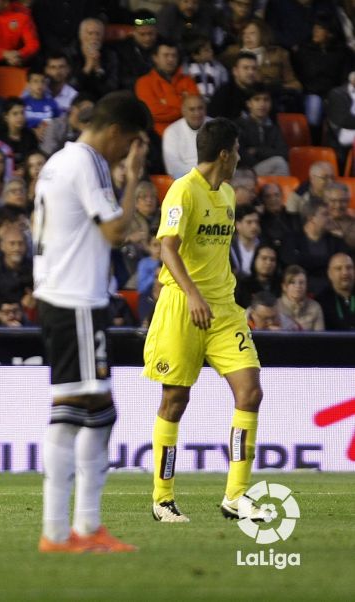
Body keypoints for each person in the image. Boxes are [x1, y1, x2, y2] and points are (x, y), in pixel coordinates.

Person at [33, 90, 150, 553]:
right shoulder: (89, 162)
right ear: (117, 132)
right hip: (75, 298)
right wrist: (133, 179)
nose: (129, 153)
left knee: (90, 409)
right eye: (132, 143)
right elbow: (115, 230)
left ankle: (72, 529)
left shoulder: (59, 160)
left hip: (61, 295)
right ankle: (69, 530)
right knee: (86, 410)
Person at [143, 118, 267, 525]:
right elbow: (168, 249)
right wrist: (193, 294)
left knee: (250, 392)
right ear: (225, 154)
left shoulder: (228, 194)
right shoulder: (183, 189)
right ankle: (163, 499)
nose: (241, 158)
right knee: (175, 400)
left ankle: (236, 497)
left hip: (223, 309)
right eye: (237, 151)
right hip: (183, 305)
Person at [134, 41, 200, 137]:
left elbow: (197, 107)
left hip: (189, 135)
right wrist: (183, 107)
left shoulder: (188, 80)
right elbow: (151, 112)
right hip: (159, 137)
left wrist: (166, 104)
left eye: (174, 55)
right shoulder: (144, 82)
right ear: (155, 58)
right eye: (166, 55)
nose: (170, 59)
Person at [280, 201, 347, 295]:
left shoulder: (336, 241)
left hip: (332, 292)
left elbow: (344, 263)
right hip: (300, 292)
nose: (330, 218)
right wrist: (327, 261)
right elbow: (291, 264)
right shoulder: (291, 239)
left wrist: (304, 260)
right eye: (325, 214)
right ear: (311, 218)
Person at [235, 84, 289, 176]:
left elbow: (284, 152)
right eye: (257, 99)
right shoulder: (239, 125)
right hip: (243, 171)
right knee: (279, 163)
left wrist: (257, 151)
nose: (262, 104)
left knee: (279, 162)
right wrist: (267, 154)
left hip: (265, 168)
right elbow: (240, 154)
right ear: (248, 103)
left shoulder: (273, 126)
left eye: (266, 99)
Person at [63, 18, 120, 100]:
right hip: (74, 101)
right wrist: (87, 67)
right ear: (81, 36)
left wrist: (98, 69)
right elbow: (70, 88)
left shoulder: (110, 55)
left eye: (98, 34)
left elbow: (111, 89)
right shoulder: (68, 54)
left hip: (101, 100)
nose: (94, 37)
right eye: (90, 33)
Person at [162, 94, 209, 179]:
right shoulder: (172, 132)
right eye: (192, 109)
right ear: (183, 111)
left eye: (200, 108)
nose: (197, 113)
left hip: (215, 176)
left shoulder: (217, 127)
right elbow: (172, 168)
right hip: (186, 178)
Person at [115, 10, 159, 91]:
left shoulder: (164, 45)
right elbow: (122, 80)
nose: (147, 38)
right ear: (133, 32)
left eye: (151, 33)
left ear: (156, 31)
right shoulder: (122, 50)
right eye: (142, 34)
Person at [209, 51, 259, 120]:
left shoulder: (261, 92)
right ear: (235, 71)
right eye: (246, 68)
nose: (251, 72)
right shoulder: (224, 93)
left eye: (254, 68)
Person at [182, 34, 228, 103]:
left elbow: (225, 85)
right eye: (206, 50)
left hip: (215, 102)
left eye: (211, 49)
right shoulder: (186, 69)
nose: (211, 52)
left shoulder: (219, 68)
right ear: (195, 55)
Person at [278, 265, 325, 330]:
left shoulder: (315, 307)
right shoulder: (275, 306)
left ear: (306, 286)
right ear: (284, 286)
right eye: (292, 282)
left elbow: (320, 337)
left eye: (301, 282)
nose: (298, 286)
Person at [234, 243, 281, 307]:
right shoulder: (243, 285)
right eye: (264, 258)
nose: (268, 263)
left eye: (272, 260)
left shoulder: (281, 286)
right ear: (255, 260)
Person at [316, 252, 355, 330]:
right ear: (329, 274)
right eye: (338, 268)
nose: (345, 272)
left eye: (349, 267)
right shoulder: (321, 301)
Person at [0, 97, 39, 167]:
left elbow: (34, 157)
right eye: (15, 114)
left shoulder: (30, 135)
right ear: (6, 116)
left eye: (22, 113)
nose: (20, 117)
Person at [21, 67, 61, 131]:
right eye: (35, 81)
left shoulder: (53, 103)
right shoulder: (22, 102)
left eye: (43, 81)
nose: (40, 85)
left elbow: (59, 124)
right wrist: (34, 132)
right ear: (28, 84)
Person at [229, 205, 261, 276]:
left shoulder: (263, 246)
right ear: (238, 225)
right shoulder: (228, 247)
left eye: (256, 222)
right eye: (249, 222)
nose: (254, 226)